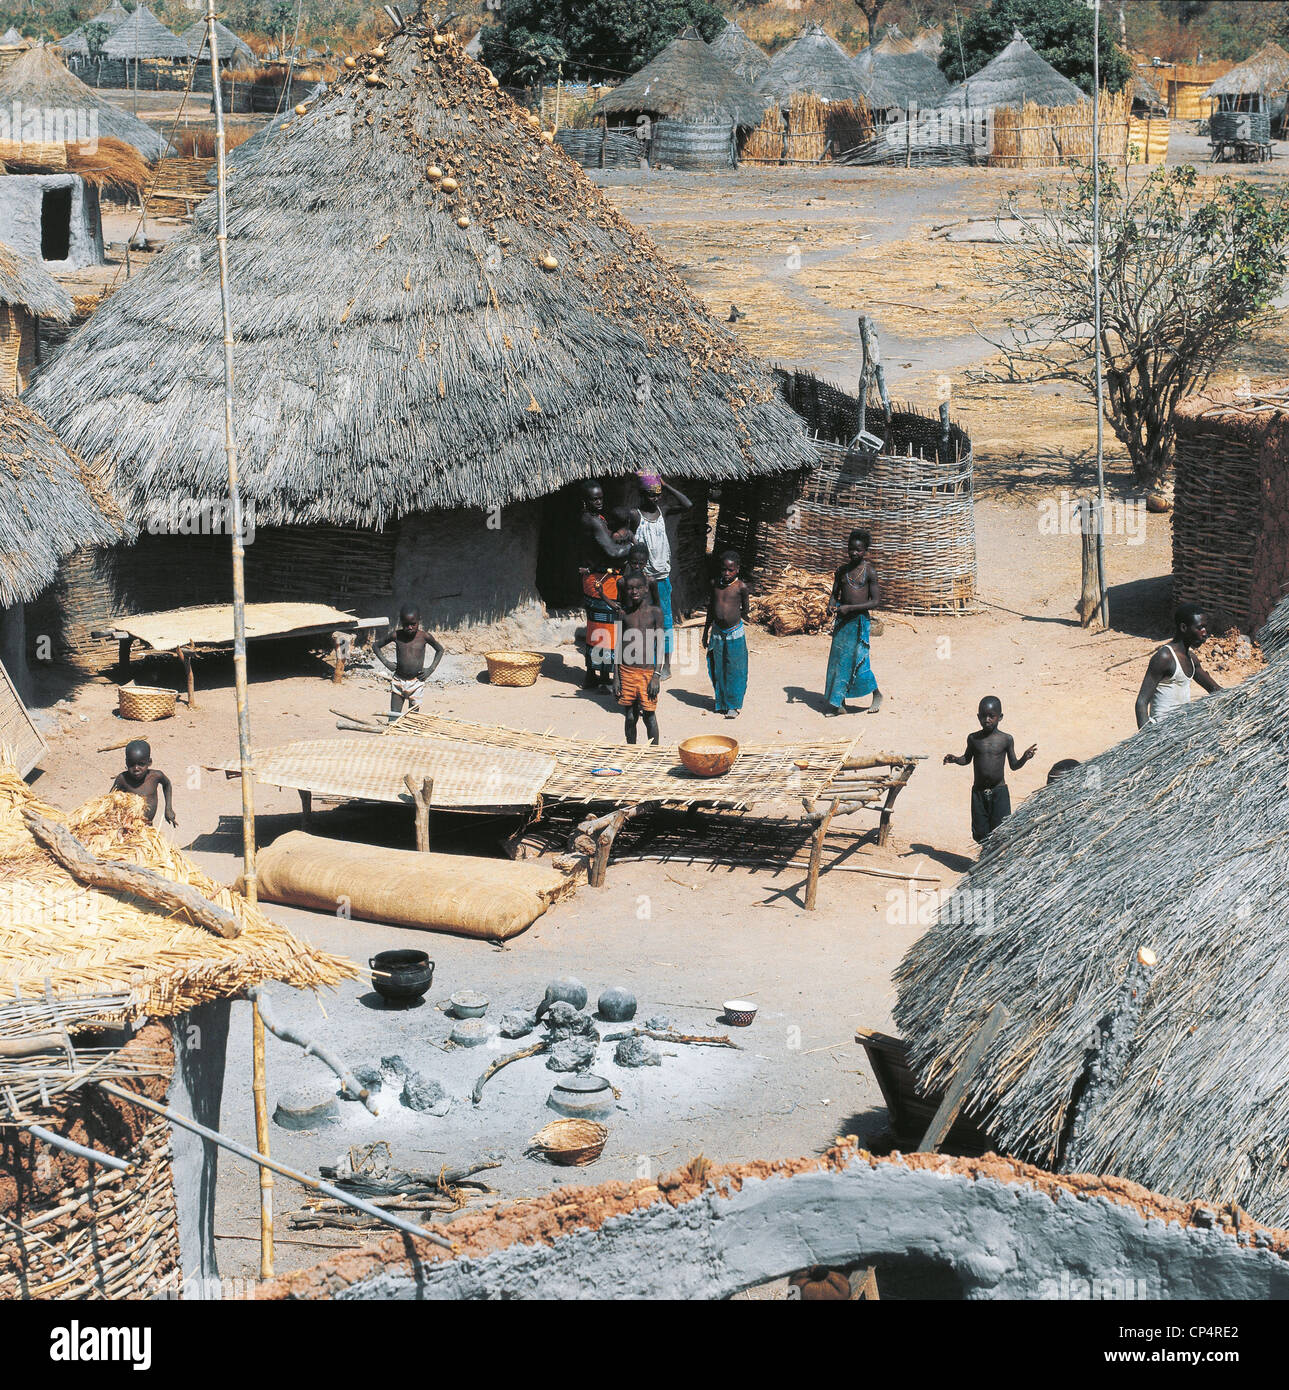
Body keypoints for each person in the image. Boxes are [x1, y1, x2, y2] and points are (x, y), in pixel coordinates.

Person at [943, 697, 1036, 844]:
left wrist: (1025, 758)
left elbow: (1014, 765)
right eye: (983, 716)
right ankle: (984, 856)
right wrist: (955, 759)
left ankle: (994, 860)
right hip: (978, 792)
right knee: (980, 831)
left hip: (999, 791)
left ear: (1000, 717)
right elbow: (967, 759)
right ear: (978, 716)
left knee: (1001, 829)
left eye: (991, 716)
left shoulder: (1006, 739)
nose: (987, 720)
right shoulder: (973, 739)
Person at [631, 472, 692, 680]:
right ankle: (643, 662)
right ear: (641, 494)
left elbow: (687, 504)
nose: (655, 498)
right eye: (651, 495)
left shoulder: (663, 511)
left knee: (665, 623)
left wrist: (666, 486)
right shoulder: (635, 516)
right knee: (641, 621)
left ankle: (666, 665)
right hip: (642, 580)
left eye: (658, 494)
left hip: (662, 578)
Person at [578, 481, 632, 689]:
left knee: (596, 627)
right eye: (594, 499)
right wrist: (633, 546)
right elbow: (612, 552)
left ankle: (592, 674)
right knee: (605, 630)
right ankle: (603, 678)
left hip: (596, 579)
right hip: (600, 581)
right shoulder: (592, 521)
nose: (599, 502)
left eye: (600, 497)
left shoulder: (595, 518)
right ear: (585, 501)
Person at [824, 529, 883, 715]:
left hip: (859, 623)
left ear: (866, 550)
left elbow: (875, 601)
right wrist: (830, 606)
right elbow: (835, 595)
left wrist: (851, 609)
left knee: (860, 661)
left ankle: (877, 694)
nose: (854, 553)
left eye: (858, 550)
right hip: (842, 623)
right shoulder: (841, 571)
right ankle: (838, 703)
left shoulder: (869, 572)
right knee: (839, 661)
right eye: (851, 549)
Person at [1134, 604, 1220, 728]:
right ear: (1184, 627)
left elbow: (1214, 689)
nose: (1205, 633)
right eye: (1200, 628)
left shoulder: (1191, 659)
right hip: (1162, 730)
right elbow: (1141, 703)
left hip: (1181, 728)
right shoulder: (1164, 658)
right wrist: (1146, 737)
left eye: (1205, 627)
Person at [615, 571, 663, 744]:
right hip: (626, 671)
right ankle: (631, 751)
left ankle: (654, 753)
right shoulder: (623, 614)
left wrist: (656, 676)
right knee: (629, 717)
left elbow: (660, 647)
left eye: (638, 588)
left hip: (648, 672)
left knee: (649, 716)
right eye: (630, 588)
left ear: (646, 590)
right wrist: (616, 678)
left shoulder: (655, 613)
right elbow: (618, 646)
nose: (633, 591)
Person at [702, 550, 749, 719]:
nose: (727, 573)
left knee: (735, 669)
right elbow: (710, 609)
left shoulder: (741, 587)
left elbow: (745, 609)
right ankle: (721, 702)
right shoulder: (715, 584)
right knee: (718, 666)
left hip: (734, 632)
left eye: (731, 570)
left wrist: (734, 617)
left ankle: (733, 705)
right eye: (724, 569)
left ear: (737, 569)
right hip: (717, 632)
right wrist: (705, 631)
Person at [375, 604, 444, 719]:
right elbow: (376, 646)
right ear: (401, 622)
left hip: (416, 683)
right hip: (398, 681)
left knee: (412, 718)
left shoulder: (424, 637)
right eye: (406, 624)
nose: (410, 627)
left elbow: (440, 650)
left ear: (419, 620)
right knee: (394, 716)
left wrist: (430, 670)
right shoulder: (396, 635)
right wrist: (386, 663)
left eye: (413, 624)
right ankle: (392, 734)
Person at [111, 740, 177, 826]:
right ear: (126, 762)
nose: (136, 769)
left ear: (149, 762)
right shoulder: (122, 779)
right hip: (128, 826)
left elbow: (167, 785)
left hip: (148, 826)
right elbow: (110, 800)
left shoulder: (155, 776)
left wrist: (168, 808)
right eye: (131, 765)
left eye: (141, 764)